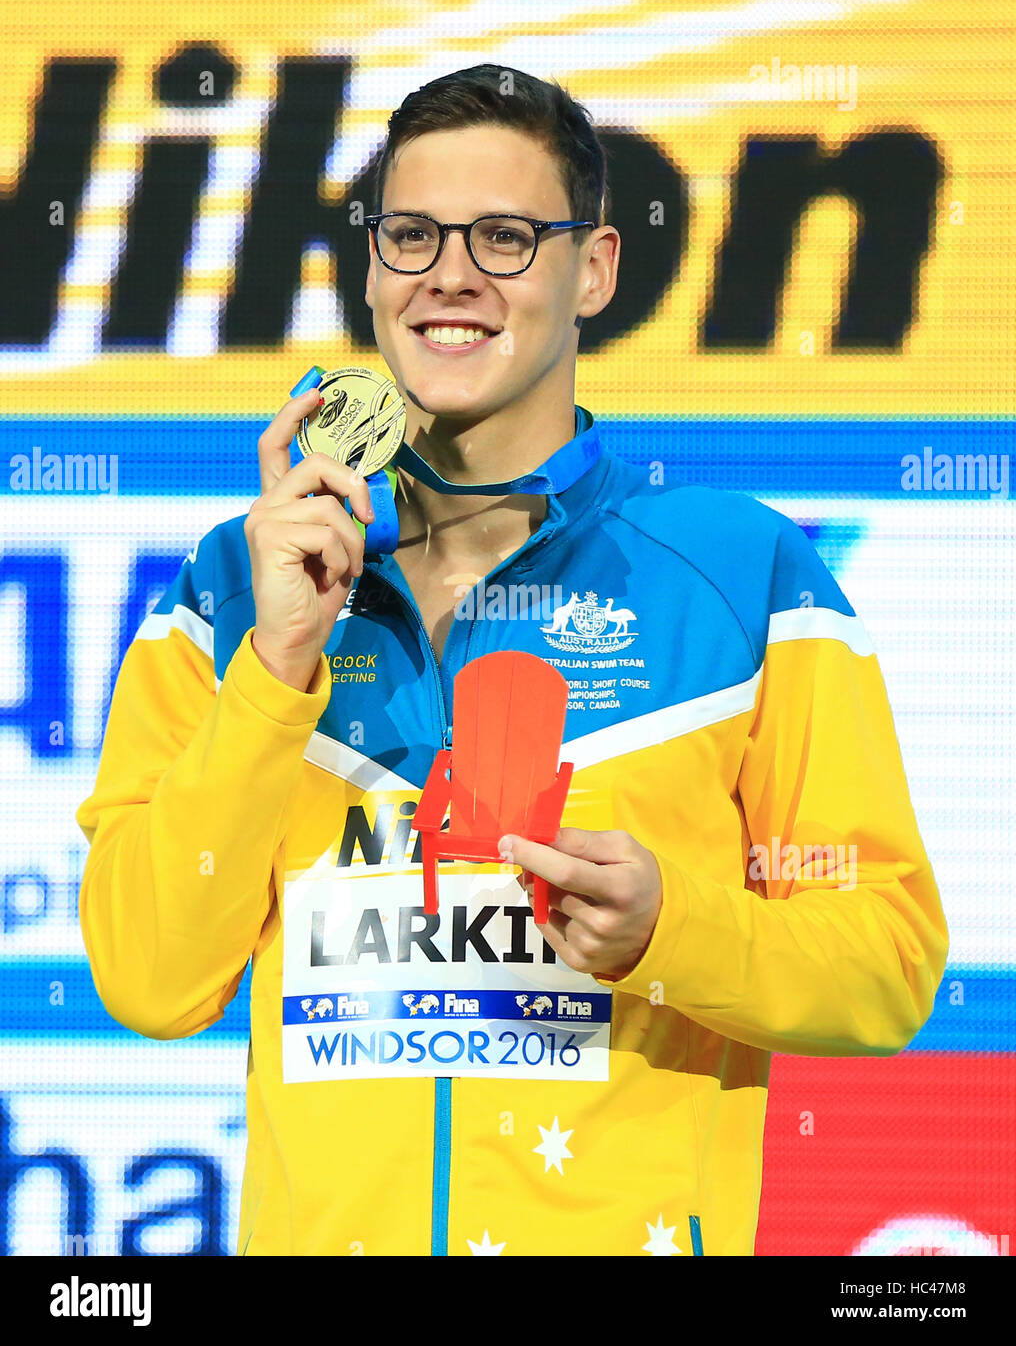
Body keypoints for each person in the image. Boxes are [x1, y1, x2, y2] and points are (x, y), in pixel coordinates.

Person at [76, 63, 949, 1257]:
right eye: (412, 235)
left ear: (592, 269)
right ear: (372, 267)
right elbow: (147, 977)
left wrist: (670, 931)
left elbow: (885, 962)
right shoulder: (230, 591)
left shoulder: (740, 575)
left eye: (502, 238)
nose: (449, 274)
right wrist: (279, 661)